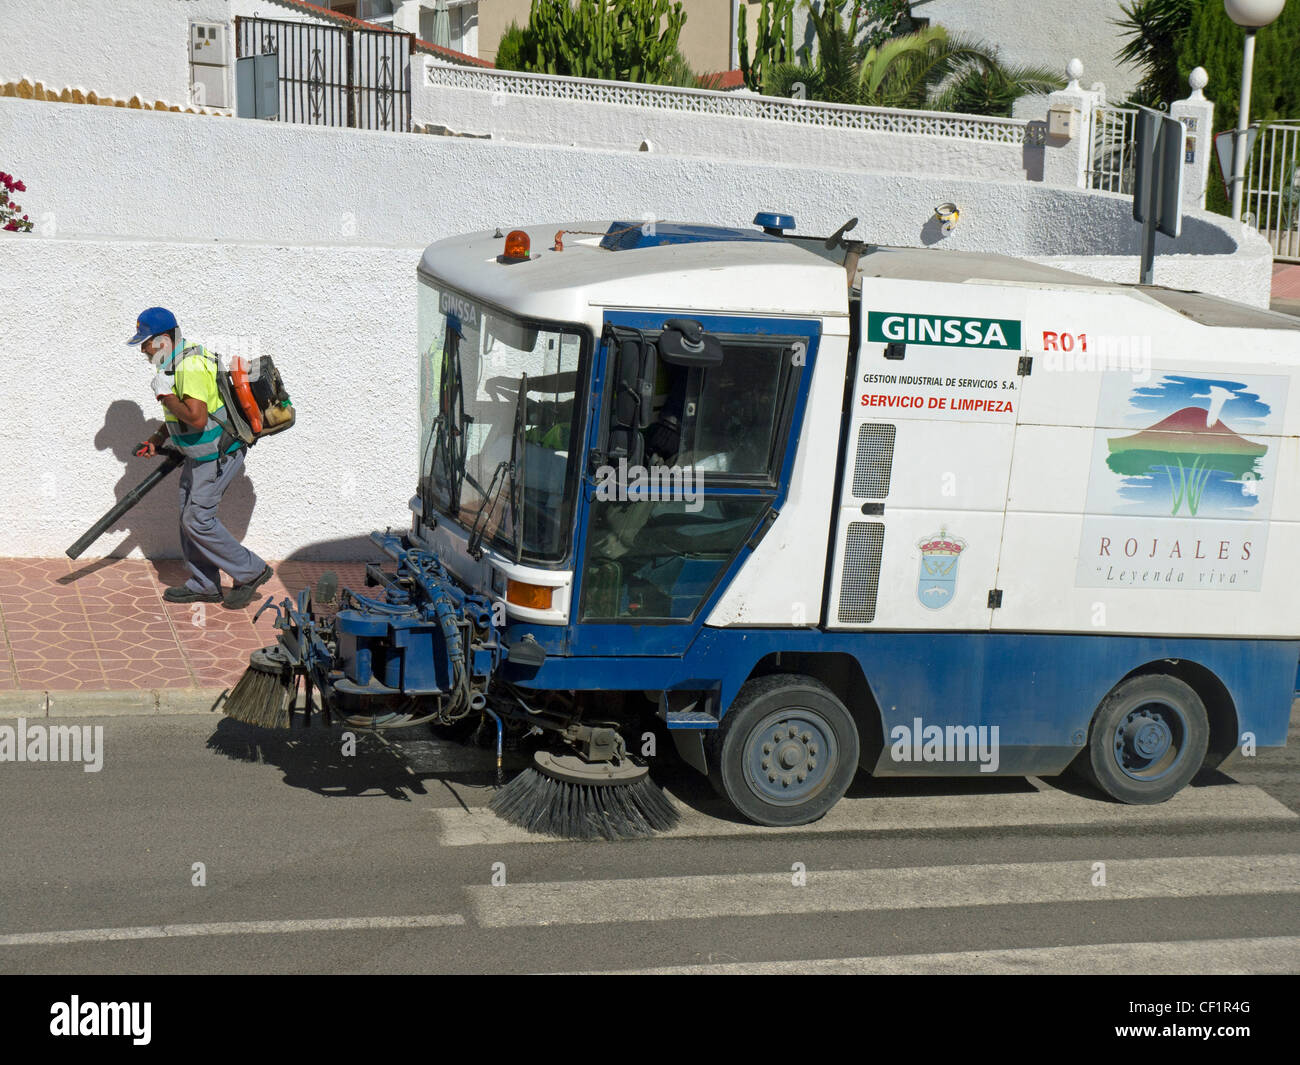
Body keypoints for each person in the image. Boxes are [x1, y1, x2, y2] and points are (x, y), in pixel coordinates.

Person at [128, 307, 272, 609]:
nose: (143, 349)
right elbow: (177, 415)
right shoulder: (172, 364)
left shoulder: (189, 366)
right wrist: (157, 438)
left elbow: (195, 417)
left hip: (218, 455)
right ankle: (204, 584)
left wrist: (164, 397)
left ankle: (252, 571)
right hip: (198, 454)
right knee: (187, 517)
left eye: (146, 342)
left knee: (198, 519)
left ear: (164, 339)